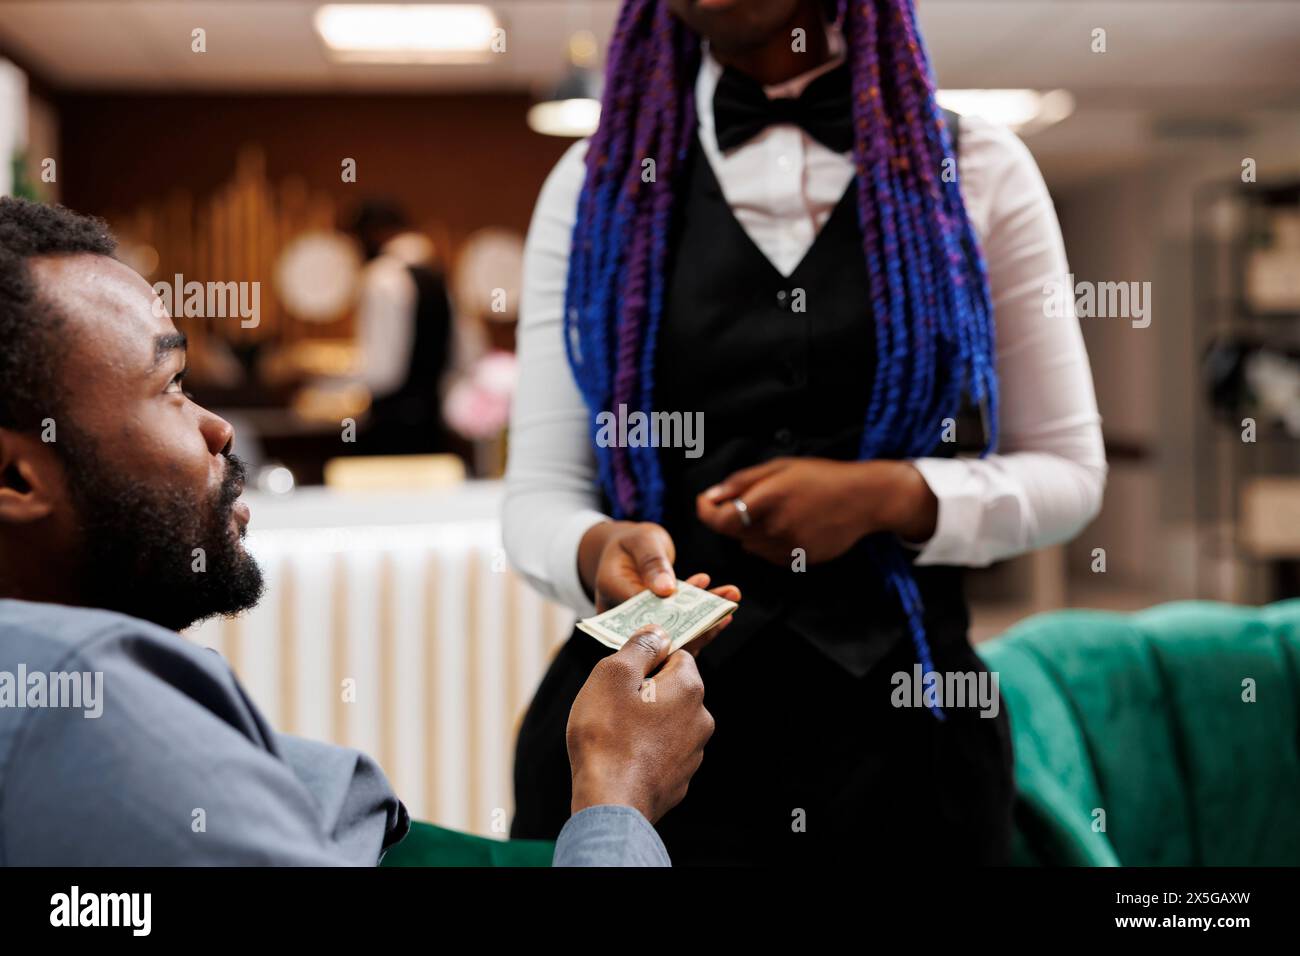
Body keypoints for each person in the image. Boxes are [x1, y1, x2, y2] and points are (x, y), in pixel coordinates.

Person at [504, 0, 1107, 864]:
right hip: (643, 742)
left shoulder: (978, 166)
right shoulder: (594, 180)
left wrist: (893, 496)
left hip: (908, 747)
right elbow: (537, 496)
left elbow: (1069, 472)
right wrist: (596, 546)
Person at [0, 196, 720, 866]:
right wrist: (619, 792)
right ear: (15, 476)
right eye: (172, 386)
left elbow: (377, 371)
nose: (218, 428)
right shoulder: (90, 707)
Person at [345, 200, 456, 455]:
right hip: (433, 422)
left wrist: (336, 387)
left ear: (372, 233)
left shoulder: (381, 277)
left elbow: (383, 372)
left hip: (392, 426)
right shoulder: (439, 275)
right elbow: (463, 352)